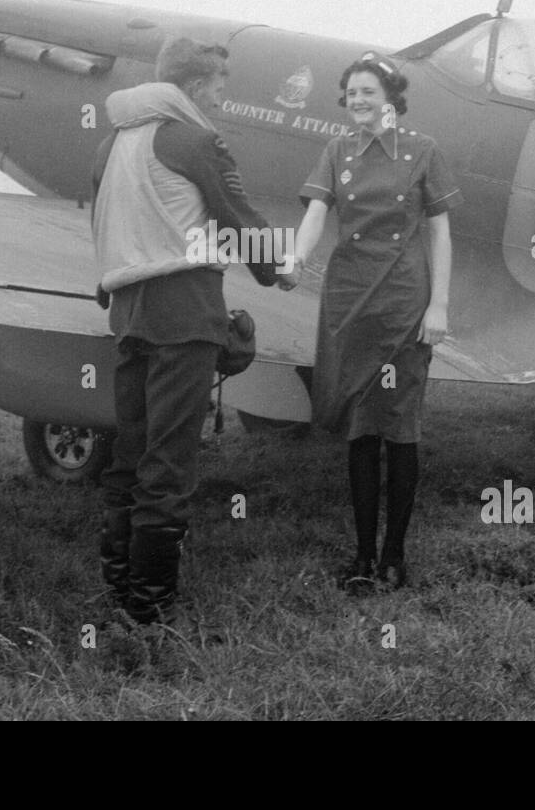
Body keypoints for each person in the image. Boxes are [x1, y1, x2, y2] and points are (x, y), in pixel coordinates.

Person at [90, 35, 282, 625]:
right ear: (195, 86)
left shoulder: (111, 144)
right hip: (184, 312)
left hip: (129, 312)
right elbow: (241, 220)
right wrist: (278, 272)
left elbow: (109, 214)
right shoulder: (195, 140)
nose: (223, 98)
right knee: (169, 461)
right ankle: (150, 609)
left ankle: (121, 585)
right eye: (220, 87)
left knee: (132, 450)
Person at [286, 52, 459, 591]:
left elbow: (441, 232)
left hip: (404, 300)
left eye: (368, 92)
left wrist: (440, 305)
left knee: (400, 426)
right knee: (361, 427)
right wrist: (295, 259)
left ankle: (394, 556)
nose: (359, 101)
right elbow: (316, 212)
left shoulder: (423, 150)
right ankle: (362, 556)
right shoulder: (336, 150)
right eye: (352, 93)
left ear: (391, 98)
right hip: (349, 299)